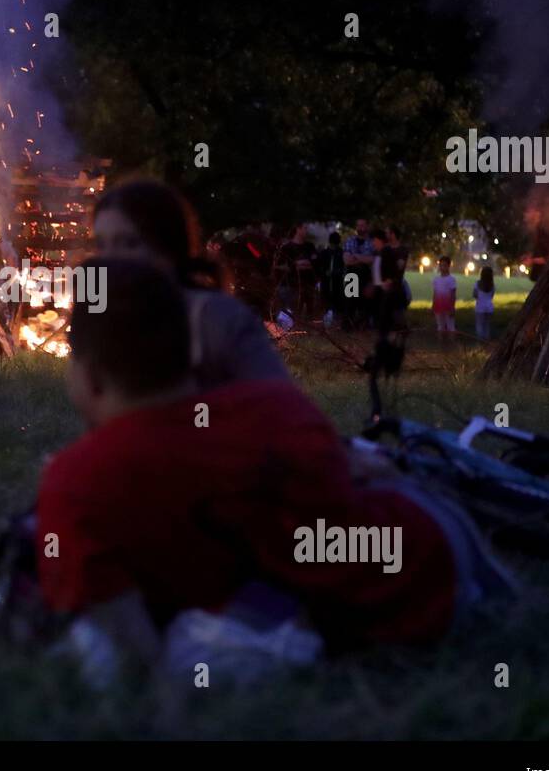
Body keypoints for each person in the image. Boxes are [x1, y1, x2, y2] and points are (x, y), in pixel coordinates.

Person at [35, 257, 510, 685]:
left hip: (373, 602)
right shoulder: (276, 405)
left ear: (89, 374)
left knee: (140, 649)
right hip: (432, 554)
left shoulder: (74, 481)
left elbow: (127, 650)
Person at [91, 178, 289, 389]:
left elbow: (277, 399)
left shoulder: (219, 317)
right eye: (101, 244)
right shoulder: (106, 314)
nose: (110, 257)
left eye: (128, 242)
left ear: (168, 246)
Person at [342, 219, 375, 329]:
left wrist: (355, 256)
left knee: (364, 302)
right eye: (358, 225)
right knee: (349, 301)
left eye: (363, 225)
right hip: (351, 274)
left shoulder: (371, 243)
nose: (360, 228)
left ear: (367, 227)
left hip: (365, 275)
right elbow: (347, 260)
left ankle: (362, 325)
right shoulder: (350, 241)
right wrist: (363, 258)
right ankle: (348, 325)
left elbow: (372, 260)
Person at [316, 231, 347, 326]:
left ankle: (335, 322)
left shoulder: (341, 253)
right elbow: (319, 267)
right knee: (326, 302)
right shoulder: (324, 253)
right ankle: (326, 322)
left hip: (338, 284)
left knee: (337, 304)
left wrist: (335, 273)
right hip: (326, 283)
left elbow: (344, 268)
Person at [432, 256, 457, 341]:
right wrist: (433, 305)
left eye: (445, 265)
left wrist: (452, 307)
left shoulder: (451, 279)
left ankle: (451, 344)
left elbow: (453, 295)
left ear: (448, 266)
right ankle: (441, 344)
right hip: (438, 306)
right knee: (440, 326)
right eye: (441, 265)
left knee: (450, 327)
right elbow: (435, 293)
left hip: (448, 306)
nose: (442, 268)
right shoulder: (436, 280)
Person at [473, 266, 495, 341]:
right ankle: (486, 341)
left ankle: (480, 341)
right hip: (489, 307)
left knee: (479, 325)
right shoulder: (492, 285)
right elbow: (492, 296)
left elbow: (475, 295)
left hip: (480, 307)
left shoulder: (477, 284)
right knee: (487, 326)